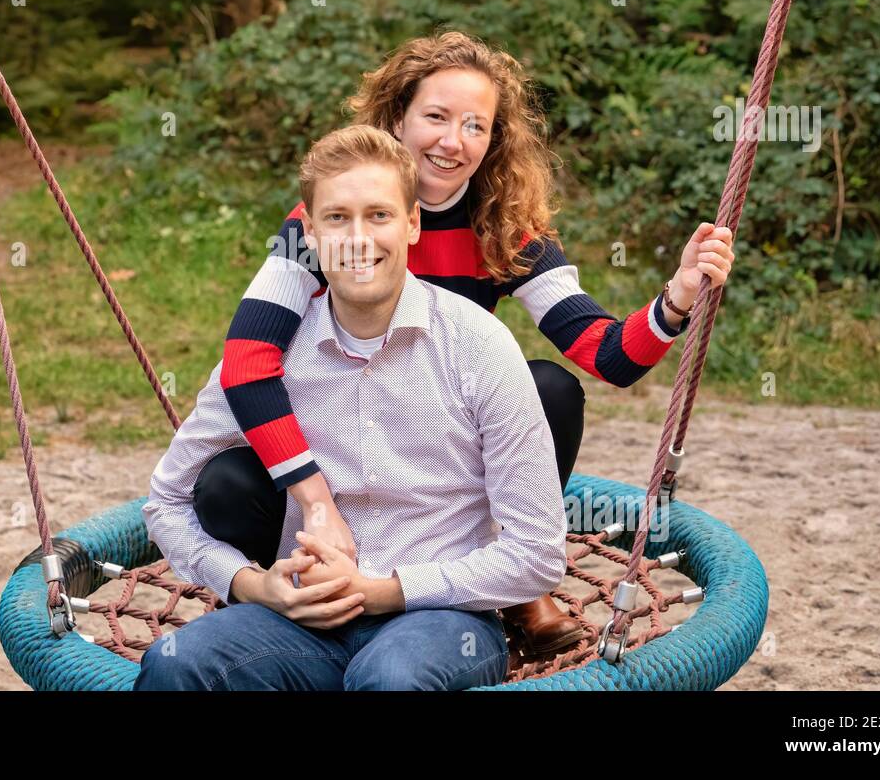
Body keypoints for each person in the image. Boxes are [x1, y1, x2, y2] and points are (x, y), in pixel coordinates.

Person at [199, 31, 736, 657]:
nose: (453, 141)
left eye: (476, 126)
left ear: (493, 141)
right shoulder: (328, 220)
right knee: (224, 482)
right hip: (338, 441)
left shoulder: (504, 227)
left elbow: (606, 355)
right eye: (435, 117)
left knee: (551, 387)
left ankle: (509, 578)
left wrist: (676, 296)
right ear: (397, 119)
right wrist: (314, 499)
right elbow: (246, 364)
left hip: (443, 444)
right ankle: (277, 593)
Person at [136, 125, 567, 690]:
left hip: (437, 619)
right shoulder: (273, 354)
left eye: (379, 216)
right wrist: (250, 584)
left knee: (390, 678)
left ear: (413, 224)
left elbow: (537, 552)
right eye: (338, 218)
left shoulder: (477, 345)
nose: (359, 238)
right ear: (309, 234)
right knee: (176, 663)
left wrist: (386, 590)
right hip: (303, 619)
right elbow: (166, 501)